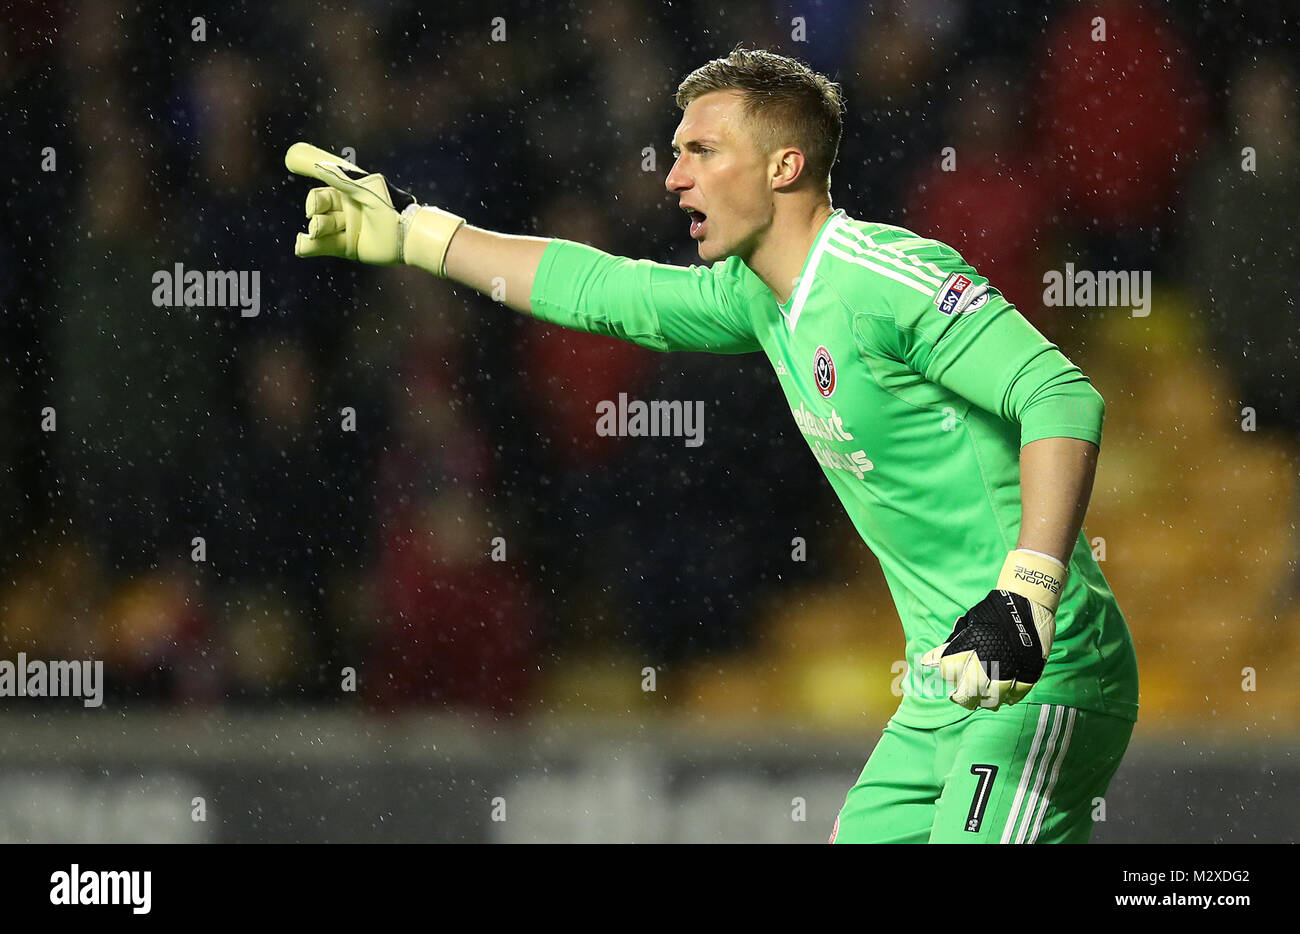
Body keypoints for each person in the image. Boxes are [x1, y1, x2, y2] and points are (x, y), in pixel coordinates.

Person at [284, 47, 1138, 844]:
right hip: (945, 680)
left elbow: (1061, 395)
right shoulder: (758, 298)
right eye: (675, 152)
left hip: (1040, 665)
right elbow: (605, 290)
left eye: (702, 151)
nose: (674, 176)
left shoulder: (883, 277)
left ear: (784, 166)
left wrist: (1026, 595)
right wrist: (418, 233)